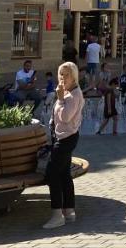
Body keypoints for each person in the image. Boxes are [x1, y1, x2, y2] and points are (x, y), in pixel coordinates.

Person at [42, 61, 84, 229]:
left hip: (67, 139)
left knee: (52, 173)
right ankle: (69, 210)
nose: (62, 78)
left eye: (66, 74)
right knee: (64, 173)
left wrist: (59, 99)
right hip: (61, 138)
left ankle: (56, 214)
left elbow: (66, 117)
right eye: (60, 74)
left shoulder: (74, 94)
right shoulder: (66, 92)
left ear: (73, 76)